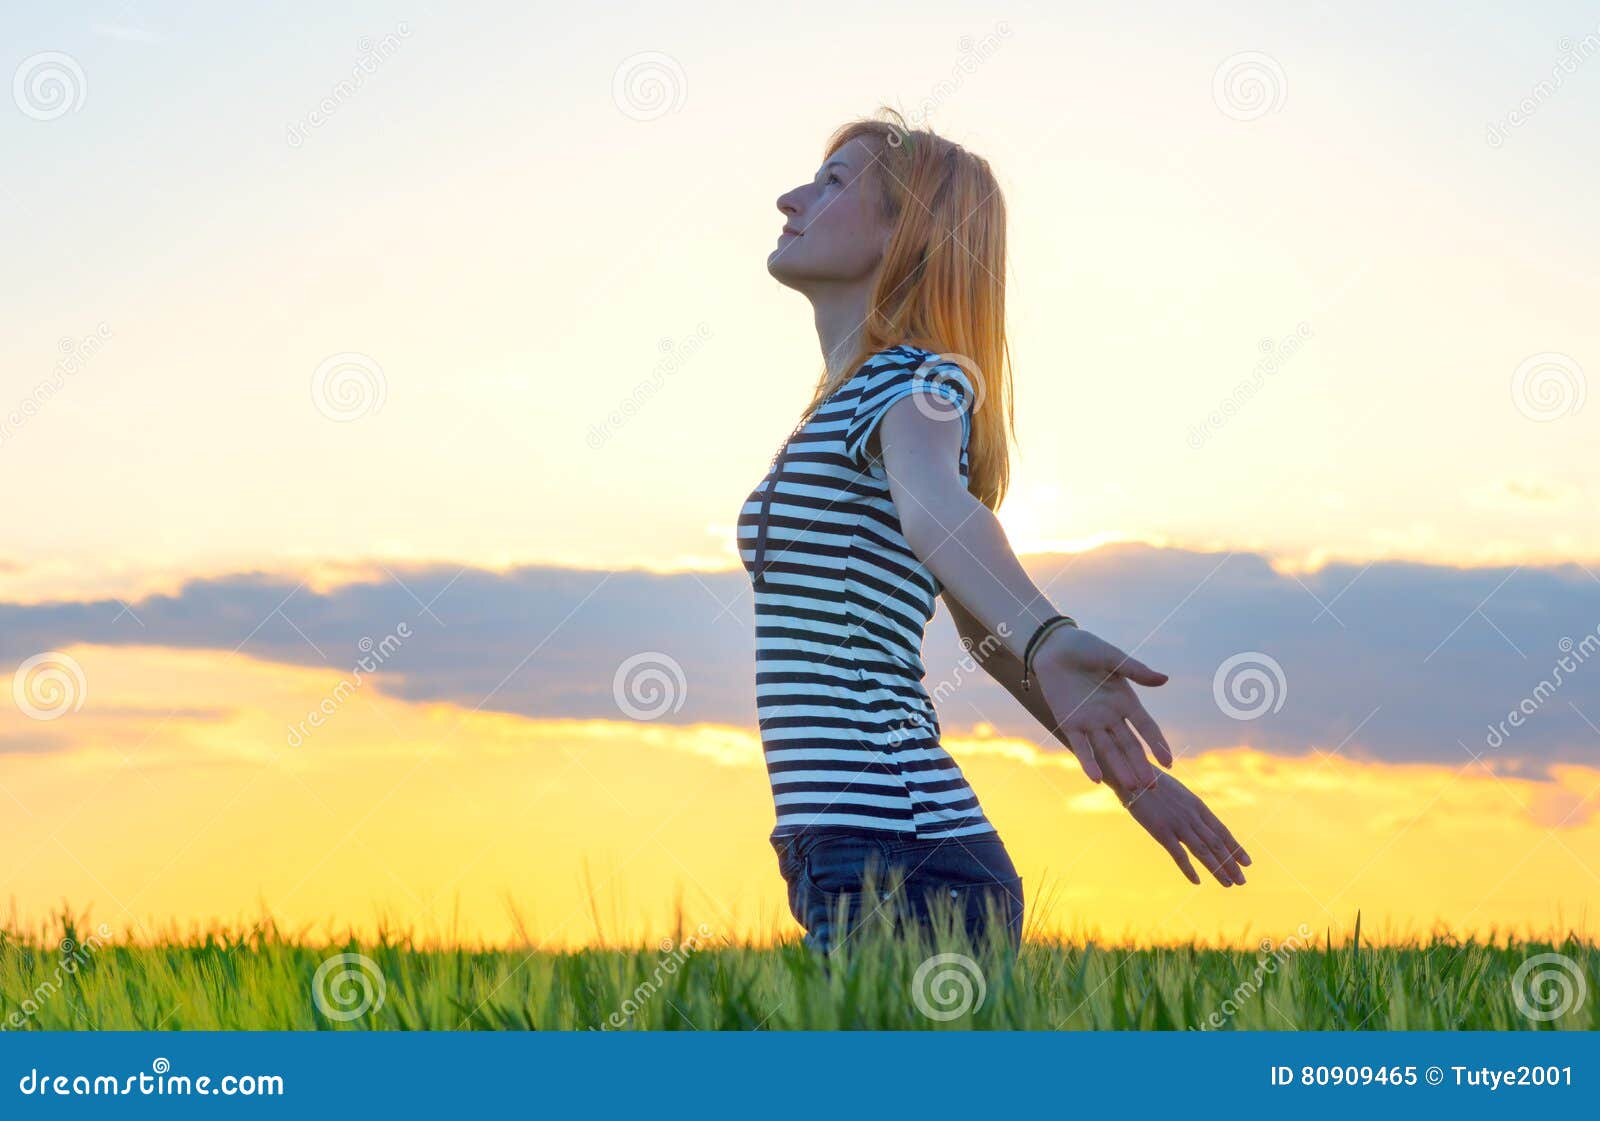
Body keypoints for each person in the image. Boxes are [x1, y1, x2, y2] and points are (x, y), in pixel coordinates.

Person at [737, 108, 1251, 957]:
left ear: (911, 234)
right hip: (847, 847)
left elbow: (937, 506)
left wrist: (1048, 630)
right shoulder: (839, 407)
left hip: (898, 853)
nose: (790, 198)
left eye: (832, 185)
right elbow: (984, 633)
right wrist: (1127, 775)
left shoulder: (923, 383)